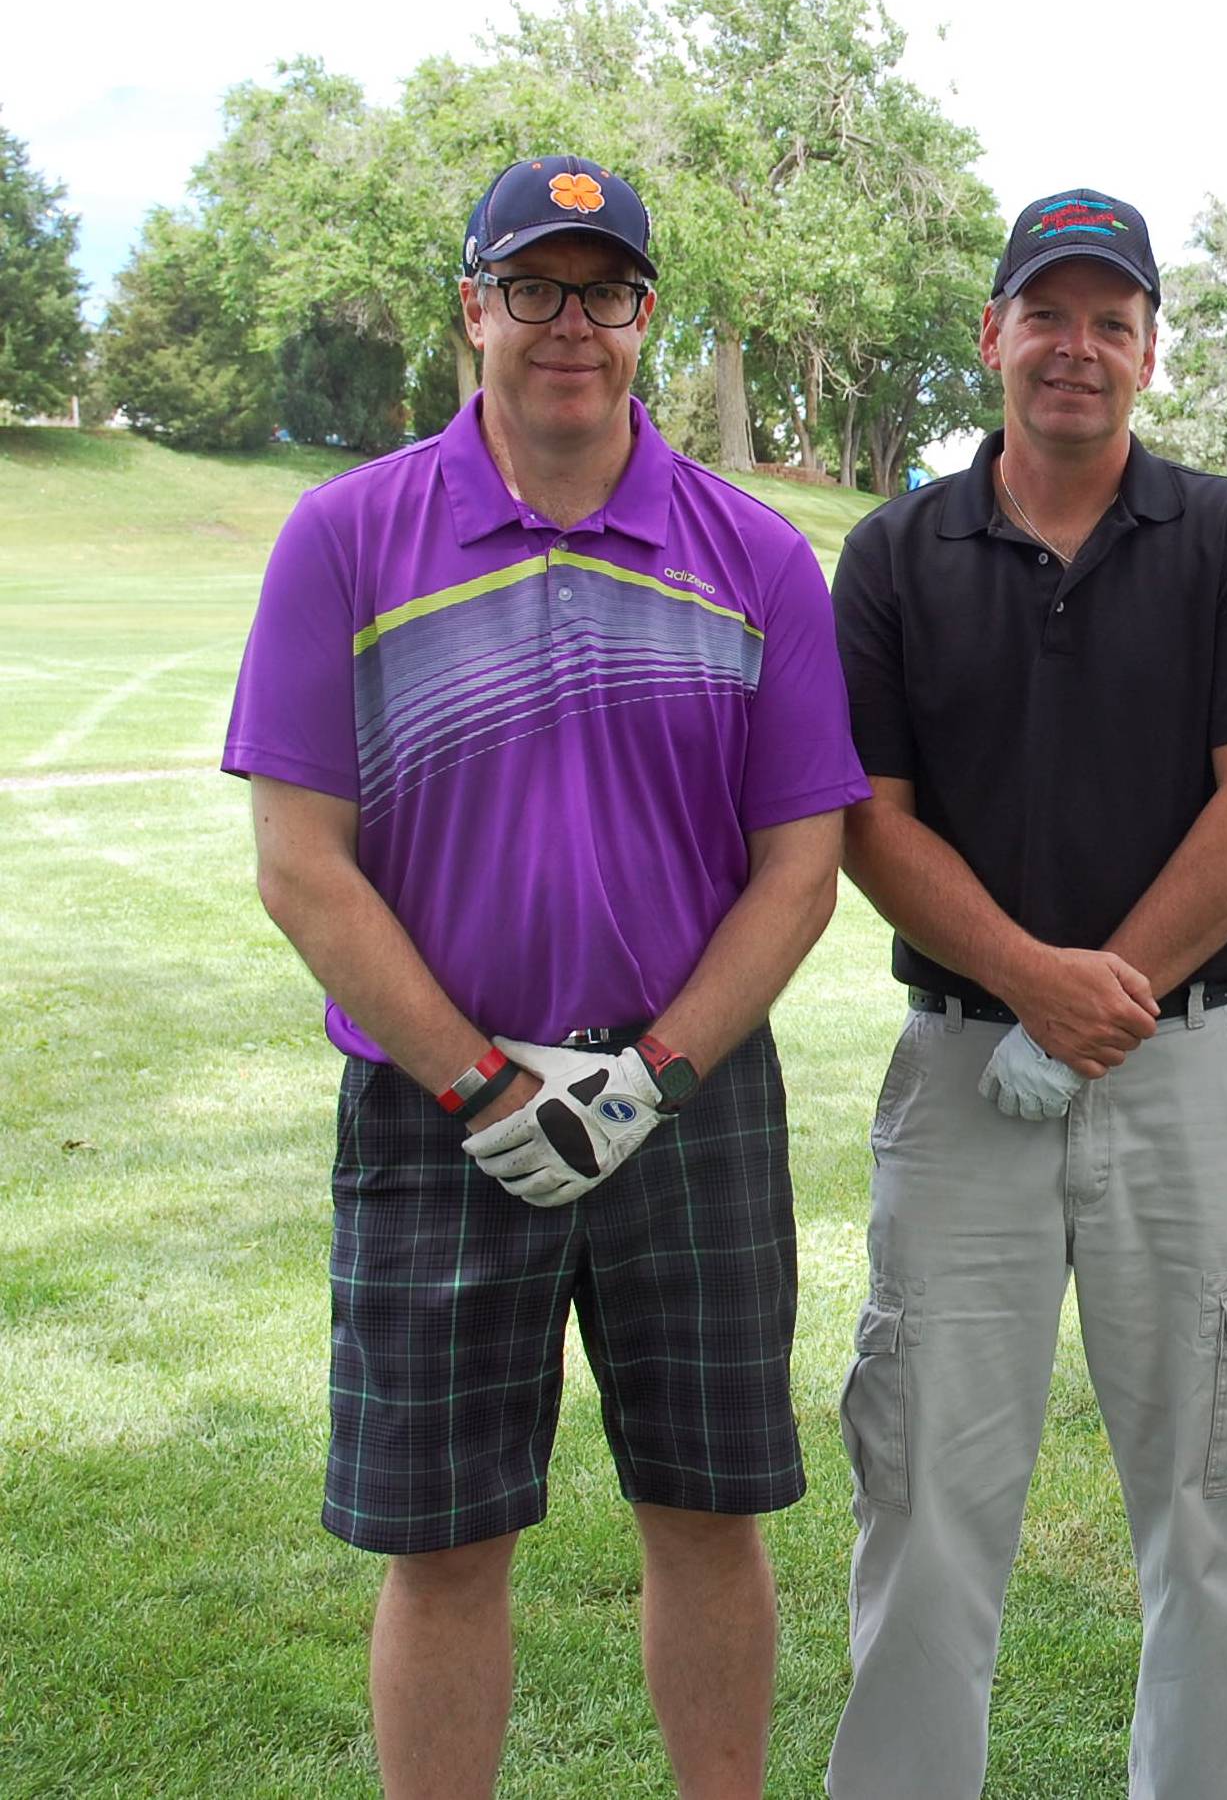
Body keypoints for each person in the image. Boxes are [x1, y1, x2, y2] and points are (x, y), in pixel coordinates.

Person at [224, 153, 866, 1797]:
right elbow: (304, 862)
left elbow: (801, 867)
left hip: (692, 1106)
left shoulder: (756, 557)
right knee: (444, 1545)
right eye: (532, 287)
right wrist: (481, 1084)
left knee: (707, 1515)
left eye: (605, 291)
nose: (568, 325)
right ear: (472, 308)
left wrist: (651, 1073)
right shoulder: (347, 538)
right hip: (438, 1110)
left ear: (646, 317)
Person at [825, 186, 1227, 1800]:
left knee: (1201, 1491)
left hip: (1182, 1075)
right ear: (993, 335)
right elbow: (867, 820)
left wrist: (1101, 992)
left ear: (1151, 353)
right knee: (925, 1492)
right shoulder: (896, 551)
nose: (1077, 349)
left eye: (1112, 321)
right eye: (1049, 314)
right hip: (962, 1073)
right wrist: (1030, 979)